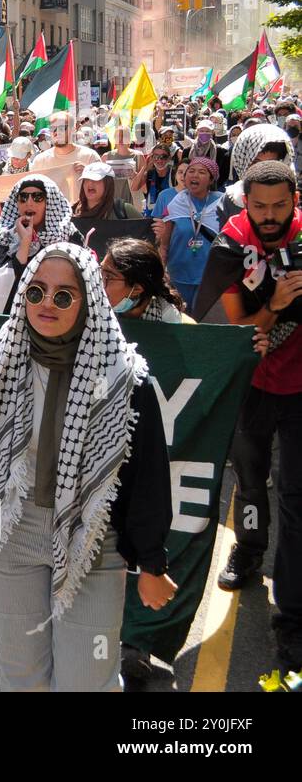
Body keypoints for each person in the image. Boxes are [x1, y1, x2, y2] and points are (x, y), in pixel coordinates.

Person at [0, 243, 176, 691]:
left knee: (87, 681)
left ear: (88, 299)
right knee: (22, 677)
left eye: (64, 295)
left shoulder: (125, 379)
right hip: (10, 535)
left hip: (93, 540)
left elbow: (147, 478)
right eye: (36, 292)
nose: (47, 304)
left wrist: (150, 562)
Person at [190, 161, 302, 676]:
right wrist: (277, 302)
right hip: (252, 385)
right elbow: (239, 326)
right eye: (260, 206)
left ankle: (292, 621)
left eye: (281, 205)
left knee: (296, 496)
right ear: (245, 201)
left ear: (294, 199)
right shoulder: (230, 245)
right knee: (251, 485)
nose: (271, 216)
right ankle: (250, 550)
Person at [0, 175, 84, 314]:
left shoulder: (68, 236)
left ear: (49, 203)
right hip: (13, 312)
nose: (28, 203)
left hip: (53, 313)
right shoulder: (5, 237)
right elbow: (19, 276)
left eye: (37, 197)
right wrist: (25, 241)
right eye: (23, 197)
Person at [156, 156, 222, 306]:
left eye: (202, 172)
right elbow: (164, 245)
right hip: (178, 276)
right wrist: (161, 273)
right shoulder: (176, 203)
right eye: (191, 171)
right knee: (181, 322)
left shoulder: (222, 204)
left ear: (211, 180)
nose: (194, 175)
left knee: (202, 326)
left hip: (209, 278)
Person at [101, 238, 189, 323]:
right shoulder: (97, 308)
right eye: (99, 271)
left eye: (108, 277)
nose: (99, 282)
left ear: (136, 289)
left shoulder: (167, 320)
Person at [219, 124, 292, 226]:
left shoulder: (291, 196)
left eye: (271, 162)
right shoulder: (232, 199)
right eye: (256, 162)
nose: (263, 169)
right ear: (244, 162)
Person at [30, 112, 101, 173]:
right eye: (53, 128)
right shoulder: (40, 161)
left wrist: (88, 174)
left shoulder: (90, 157)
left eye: (62, 128)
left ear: (73, 130)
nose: (57, 132)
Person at [73, 162, 139, 220]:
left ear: (108, 184)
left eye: (96, 179)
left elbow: (145, 230)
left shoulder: (124, 211)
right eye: (86, 179)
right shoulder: (71, 212)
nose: (90, 183)